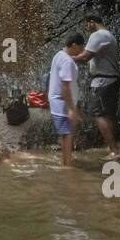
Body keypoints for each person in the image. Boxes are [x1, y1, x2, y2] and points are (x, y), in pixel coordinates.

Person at [71, 15, 120, 159]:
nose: (86, 28)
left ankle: (114, 150)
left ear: (92, 22)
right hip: (111, 79)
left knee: (99, 115)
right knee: (109, 115)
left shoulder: (98, 35)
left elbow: (84, 57)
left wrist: (65, 58)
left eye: (86, 25)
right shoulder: (109, 36)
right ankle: (113, 147)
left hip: (102, 81)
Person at [47, 31, 87, 166]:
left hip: (58, 102)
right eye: (81, 47)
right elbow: (65, 87)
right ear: (74, 45)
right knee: (68, 135)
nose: (82, 51)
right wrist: (71, 109)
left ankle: (66, 161)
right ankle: (67, 166)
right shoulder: (67, 61)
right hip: (62, 104)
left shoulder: (59, 55)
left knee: (67, 134)